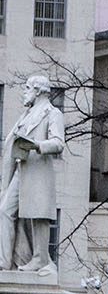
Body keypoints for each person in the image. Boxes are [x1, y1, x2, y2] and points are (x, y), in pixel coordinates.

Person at [0, 73, 65, 274]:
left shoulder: (52, 113)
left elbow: (58, 143)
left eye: (27, 88)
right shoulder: (26, 115)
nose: (24, 93)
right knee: (5, 211)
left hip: (37, 171)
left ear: (38, 91)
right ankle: (4, 261)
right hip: (21, 169)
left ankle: (40, 259)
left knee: (38, 215)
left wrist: (36, 145)